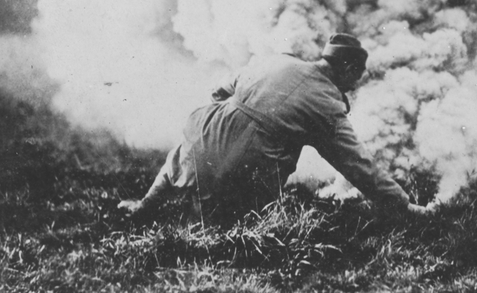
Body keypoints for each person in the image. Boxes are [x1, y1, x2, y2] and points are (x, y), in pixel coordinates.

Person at [118, 34, 429, 221]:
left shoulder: (276, 61)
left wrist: (236, 120)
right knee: (228, 209)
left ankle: (146, 204)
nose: (356, 84)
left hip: (196, 151)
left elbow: (218, 93)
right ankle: (212, 213)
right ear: (347, 69)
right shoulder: (326, 104)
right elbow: (360, 166)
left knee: (199, 137)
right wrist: (403, 205)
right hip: (238, 181)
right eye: (357, 76)